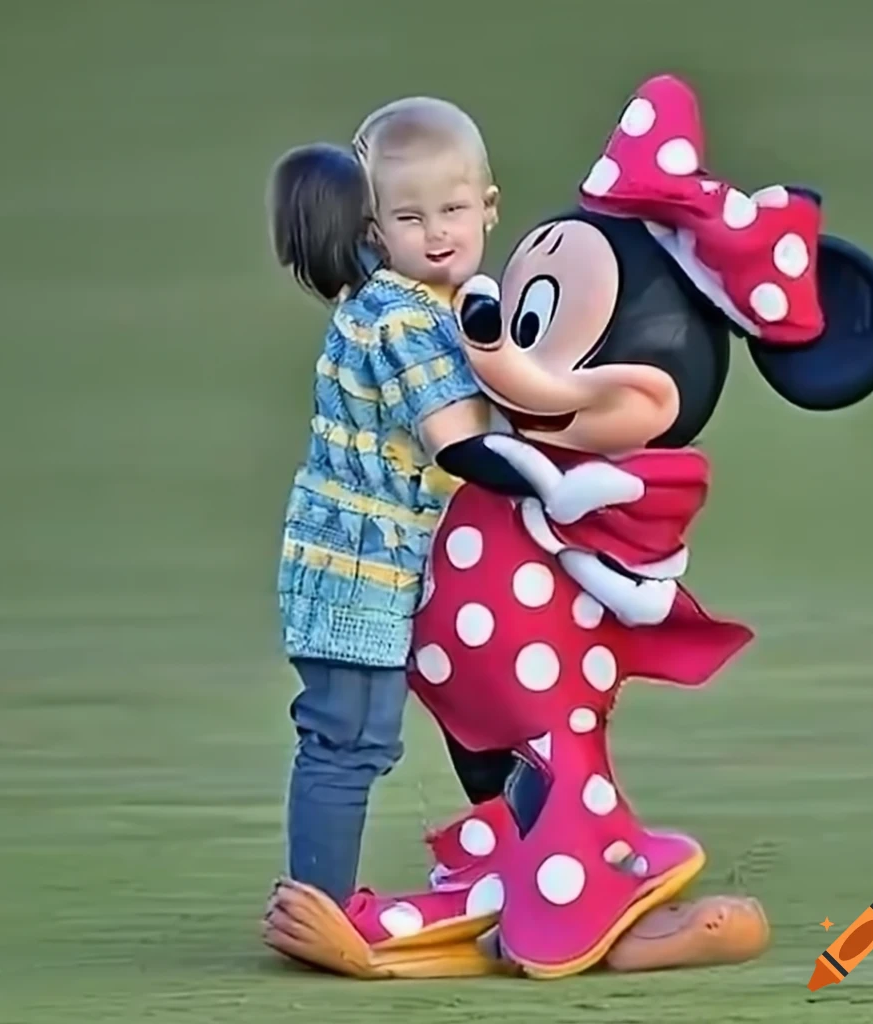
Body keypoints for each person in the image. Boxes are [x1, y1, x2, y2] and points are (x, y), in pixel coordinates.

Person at [267, 97, 501, 904]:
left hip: (405, 565)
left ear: (488, 207)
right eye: (409, 217)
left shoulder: (442, 306)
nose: (436, 233)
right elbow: (457, 442)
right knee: (349, 735)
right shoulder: (399, 316)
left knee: (490, 712)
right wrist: (558, 479)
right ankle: (317, 908)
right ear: (375, 231)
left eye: (453, 210)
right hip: (359, 569)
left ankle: (530, 863)